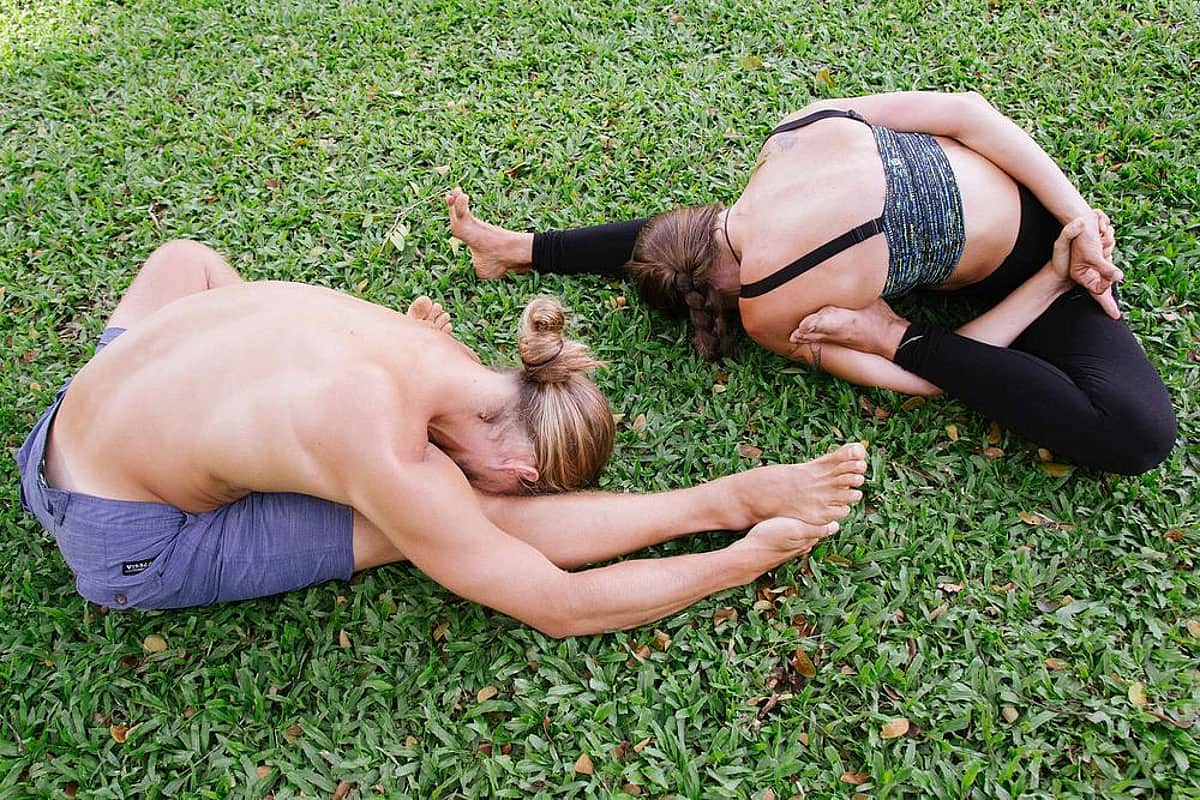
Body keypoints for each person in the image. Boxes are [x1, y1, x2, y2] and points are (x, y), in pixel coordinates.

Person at [16, 239, 869, 636]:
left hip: (64, 426)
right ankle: (718, 501)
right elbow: (560, 607)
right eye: (527, 486)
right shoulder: (393, 449)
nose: (499, 486)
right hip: (123, 534)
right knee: (446, 520)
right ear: (522, 465)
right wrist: (737, 558)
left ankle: (230, 446)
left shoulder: (441, 353)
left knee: (187, 261)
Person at [446, 91, 1176, 475]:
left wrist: (901, 335)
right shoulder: (797, 130)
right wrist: (1075, 223)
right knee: (686, 245)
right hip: (1040, 202)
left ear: (714, 308)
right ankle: (516, 249)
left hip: (1041, 257)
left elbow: (927, 378)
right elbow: (969, 113)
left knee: (1135, 435)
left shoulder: (769, 314)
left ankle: (516, 250)